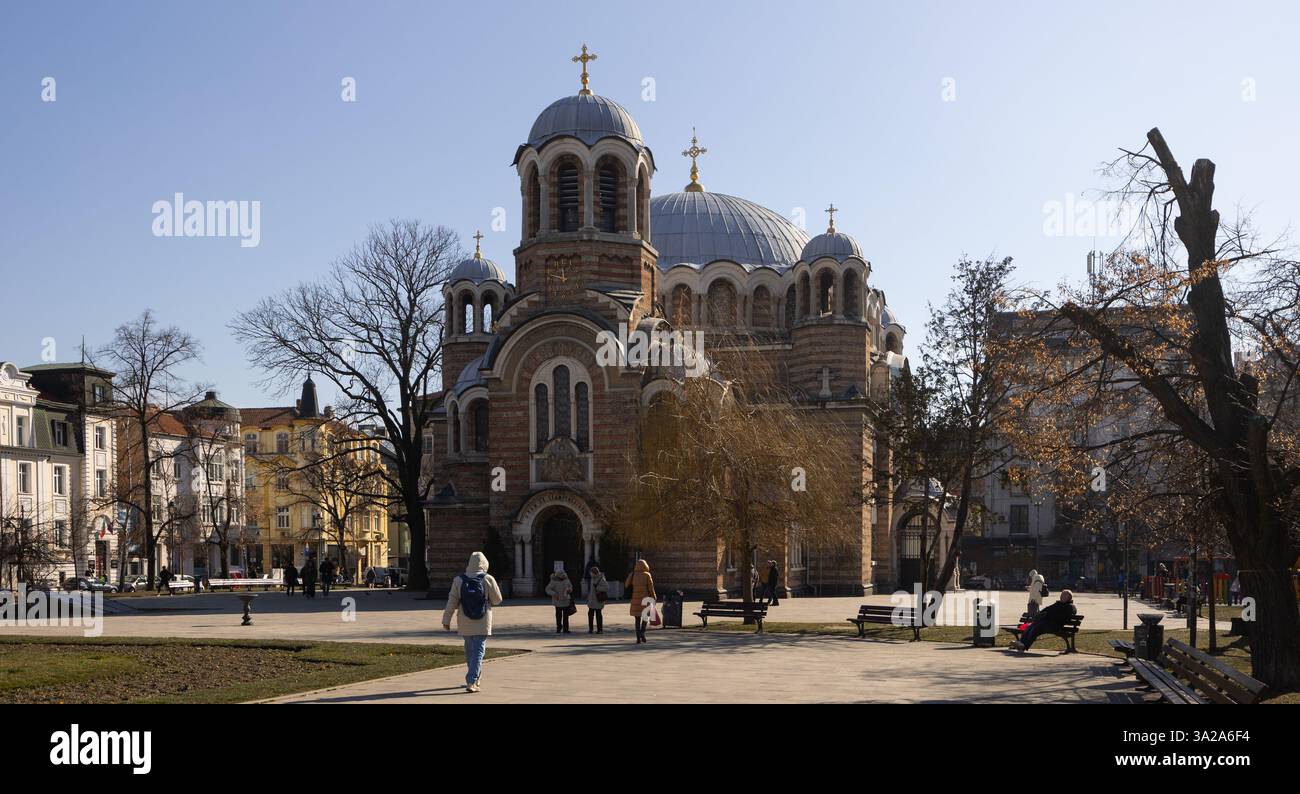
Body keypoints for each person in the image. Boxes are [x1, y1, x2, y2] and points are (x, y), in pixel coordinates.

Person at [441, 551, 503, 693]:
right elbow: (497, 600)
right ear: (484, 564)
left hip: (464, 620)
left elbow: (452, 601)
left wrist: (446, 619)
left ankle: (475, 678)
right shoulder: (488, 578)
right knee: (479, 651)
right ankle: (472, 680)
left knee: (470, 651)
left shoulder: (459, 580)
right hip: (482, 620)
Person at [1009, 590, 1076, 652]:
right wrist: (1042, 614)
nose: (1062, 597)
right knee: (1031, 626)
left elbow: (1063, 618)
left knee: (1036, 628)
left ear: (1069, 598)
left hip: (1056, 626)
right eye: (1061, 595)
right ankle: (1021, 643)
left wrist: (1049, 615)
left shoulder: (1070, 607)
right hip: (1046, 624)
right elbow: (1046, 610)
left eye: (1064, 596)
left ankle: (1024, 646)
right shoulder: (1057, 604)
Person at [625, 559, 657, 644]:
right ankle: (642, 632)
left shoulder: (633, 574)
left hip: (635, 599)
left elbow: (626, 585)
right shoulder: (647, 575)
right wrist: (654, 597)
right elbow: (651, 588)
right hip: (645, 600)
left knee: (637, 619)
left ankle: (638, 638)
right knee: (645, 617)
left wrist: (630, 575)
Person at [545, 570, 574, 634]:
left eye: (563, 574)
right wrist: (554, 594)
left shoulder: (567, 580)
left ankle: (566, 629)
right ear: (558, 575)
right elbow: (548, 589)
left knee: (566, 616)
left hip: (566, 600)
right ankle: (559, 628)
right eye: (561, 574)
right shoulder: (553, 581)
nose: (563, 575)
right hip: (557, 601)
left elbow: (570, 586)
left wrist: (569, 590)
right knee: (558, 616)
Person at [586, 565, 609, 634]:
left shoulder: (601, 578)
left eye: (591, 572)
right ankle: (591, 629)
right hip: (592, 600)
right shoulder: (592, 578)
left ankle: (600, 629)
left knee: (598, 615)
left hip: (598, 600)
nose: (590, 574)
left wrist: (597, 588)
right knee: (590, 614)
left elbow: (606, 588)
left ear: (594, 572)